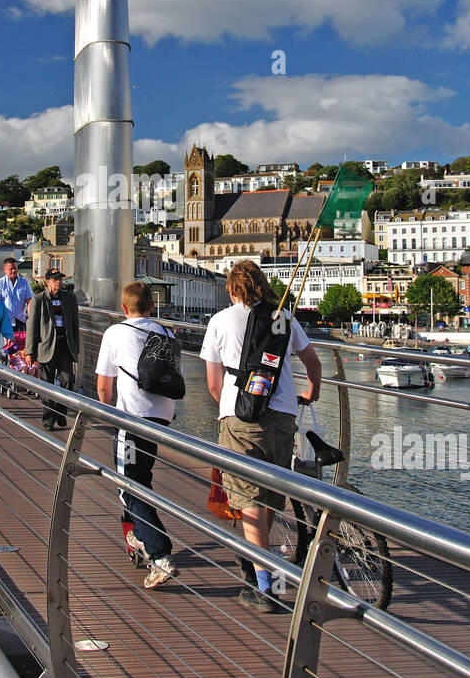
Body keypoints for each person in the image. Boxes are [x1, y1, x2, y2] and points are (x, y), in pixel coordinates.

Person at [201, 260, 322, 614]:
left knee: (248, 498)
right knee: (269, 495)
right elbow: (312, 362)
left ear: (232, 288)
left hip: (239, 416)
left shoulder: (220, 321)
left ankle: (263, 585)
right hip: (283, 413)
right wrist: (311, 391)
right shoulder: (282, 316)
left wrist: (230, 408)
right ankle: (257, 563)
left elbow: (213, 383)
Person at [96, 281, 179, 590]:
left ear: (123, 308)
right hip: (162, 419)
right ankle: (139, 537)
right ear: (152, 306)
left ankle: (160, 555)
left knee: (127, 486)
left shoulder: (114, 333)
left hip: (132, 420)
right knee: (140, 478)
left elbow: (104, 388)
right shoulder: (166, 332)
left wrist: (108, 416)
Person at [25, 269, 79, 430]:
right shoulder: (38, 300)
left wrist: (76, 347)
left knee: (68, 380)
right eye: (55, 279)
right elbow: (32, 327)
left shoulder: (70, 299)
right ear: (47, 281)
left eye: (60, 279)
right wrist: (30, 351)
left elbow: (75, 324)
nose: (58, 282)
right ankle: (48, 419)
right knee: (46, 384)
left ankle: (61, 411)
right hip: (46, 347)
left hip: (65, 346)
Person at [0, 256, 34, 333]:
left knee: (21, 344)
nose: (14, 271)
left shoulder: (25, 282)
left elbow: (29, 301)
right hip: (5, 321)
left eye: (15, 268)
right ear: (4, 270)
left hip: (21, 320)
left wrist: (30, 318)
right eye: (11, 269)